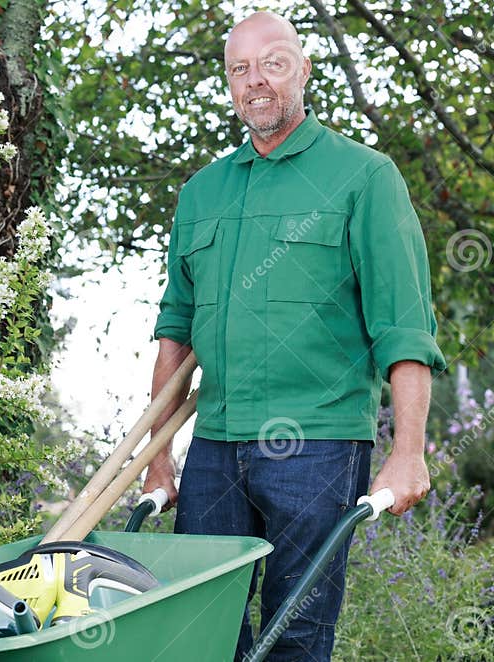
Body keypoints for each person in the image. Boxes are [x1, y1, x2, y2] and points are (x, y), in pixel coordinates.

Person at [142, 10, 446, 662]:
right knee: (200, 634)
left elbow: (404, 326)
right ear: (228, 83)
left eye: (272, 62)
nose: (256, 81)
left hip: (318, 447)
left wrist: (411, 450)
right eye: (239, 68)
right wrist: (158, 456)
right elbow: (176, 332)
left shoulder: (364, 178)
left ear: (305, 70)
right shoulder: (202, 194)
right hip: (216, 450)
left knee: (296, 639)